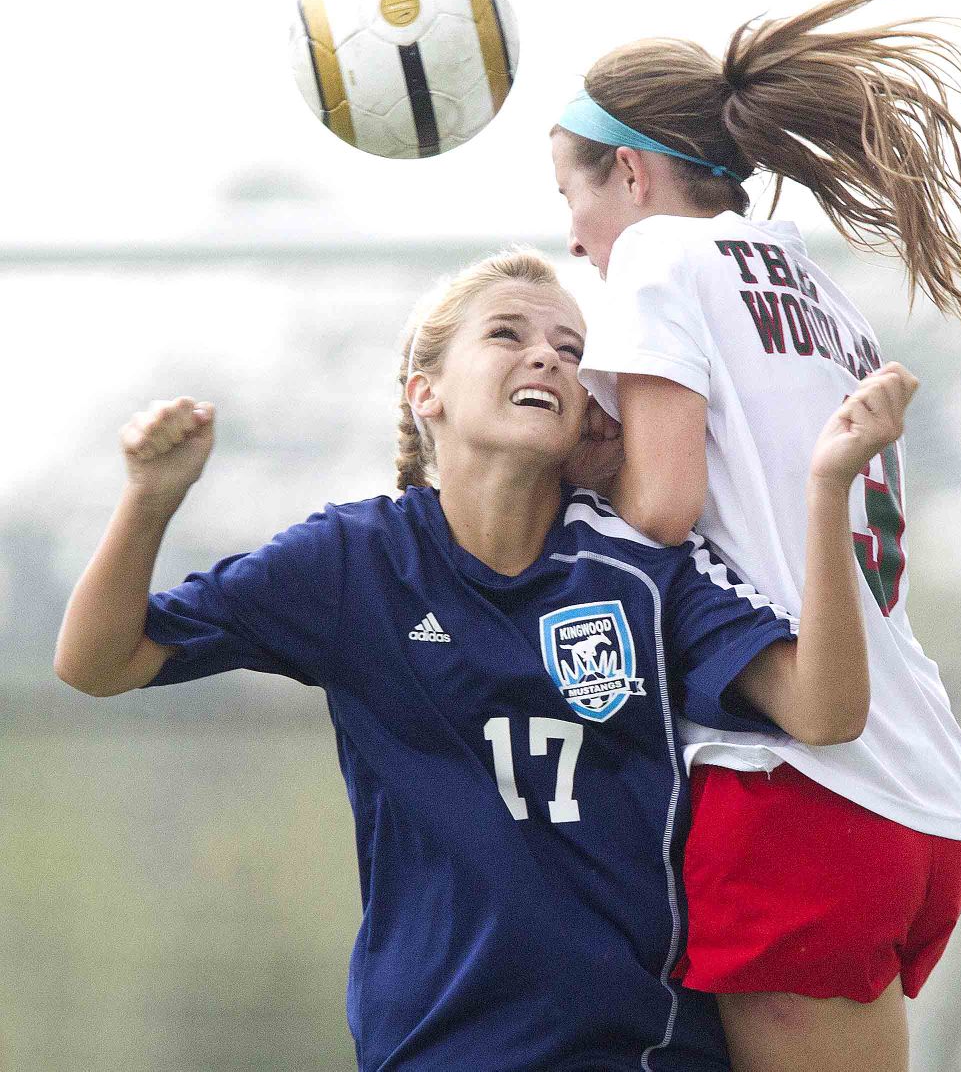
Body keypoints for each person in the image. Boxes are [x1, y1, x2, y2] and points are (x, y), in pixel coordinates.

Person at [54, 249, 915, 1071]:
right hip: (437, 1047)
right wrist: (147, 500)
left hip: (640, 1046)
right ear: (424, 392)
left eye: (571, 350)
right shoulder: (351, 563)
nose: (546, 356)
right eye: (508, 334)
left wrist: (827, 486)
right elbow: (98, 660)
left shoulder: (640, 572)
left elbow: (825, 708)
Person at [550, 0, 961, 1071]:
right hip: (909, 772)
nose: (574, 239)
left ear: (634, 174)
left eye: (575, 197)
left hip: (801, 779)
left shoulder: (653, 255)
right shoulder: (810, 280)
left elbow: (663, 503)